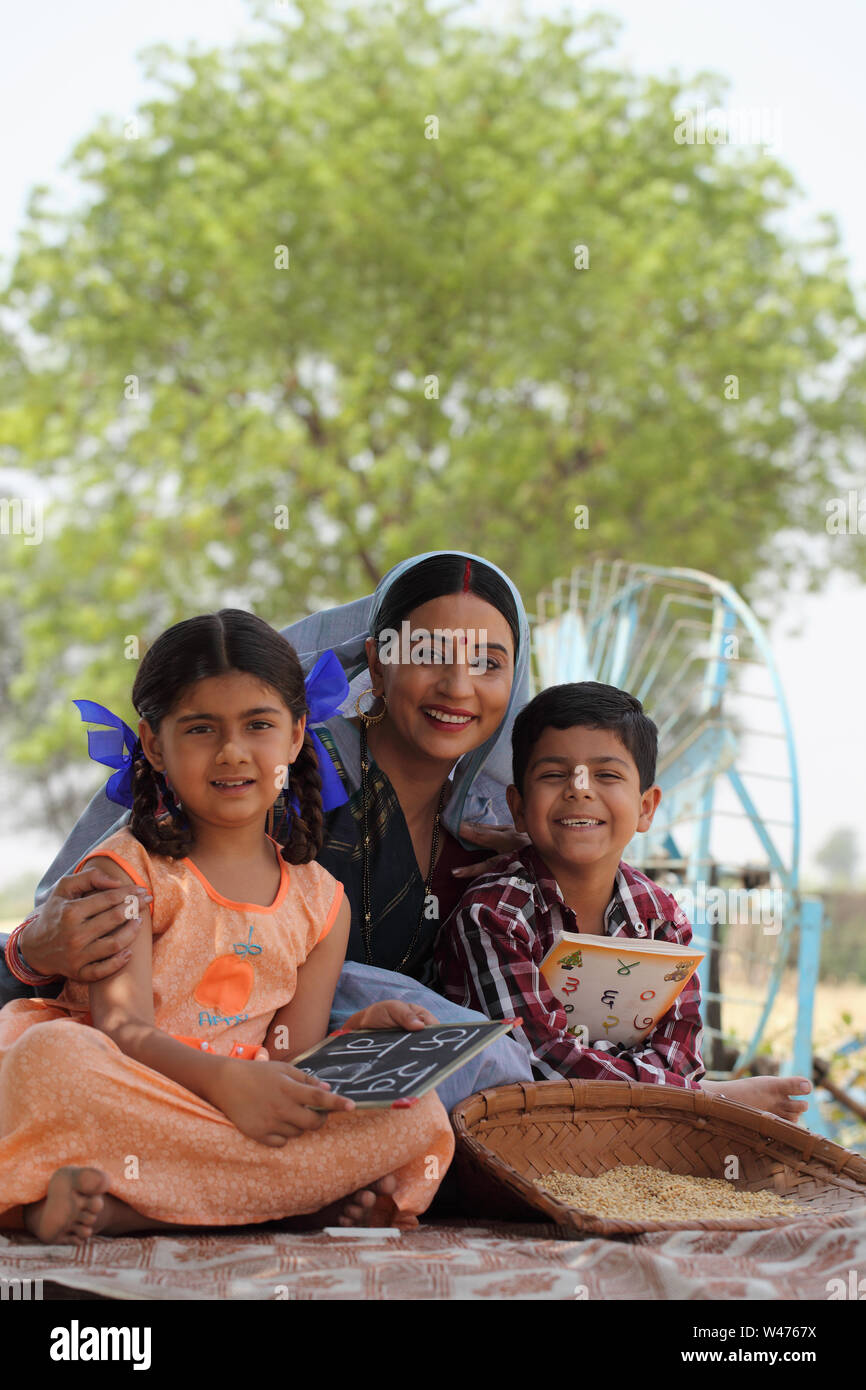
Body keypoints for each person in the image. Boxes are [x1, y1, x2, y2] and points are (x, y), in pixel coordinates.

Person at [1, 552, 535, 1111]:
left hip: (283, 1063)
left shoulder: (486, 836)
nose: (457, 685)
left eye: (488, 663)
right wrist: (32, 951)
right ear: (377, 664)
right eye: (428, 654)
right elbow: (93, 953)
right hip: (162, 1060)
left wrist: (360, 1028)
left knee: (434, 1097)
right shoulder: (277, 779)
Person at [0, 610, 456, 1243]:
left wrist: (355, 1034)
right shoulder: (125, 870)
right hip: (141, 1094)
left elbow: (286, 1057)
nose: (233, 752)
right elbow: (121, 1030)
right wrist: (224, 1082)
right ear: (155, 745)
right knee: (54, 1060)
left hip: (241, 1111)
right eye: (201, 728)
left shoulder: (322, 901)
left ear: (296, 737)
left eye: (259, 725)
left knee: (418, 1116)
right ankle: (284, 1201)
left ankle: (144, 1205)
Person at [436, 681, 813, 1121]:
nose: (580, 790)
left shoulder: (662, 917)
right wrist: (709, 1098)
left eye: (607, 775)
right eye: (555, 774)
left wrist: (673, 1085)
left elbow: (682, 1054)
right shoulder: (494, 914)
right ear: (517, 807)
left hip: (631, 1138)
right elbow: (540, 1064)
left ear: (647, 807)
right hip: (519, 1135)